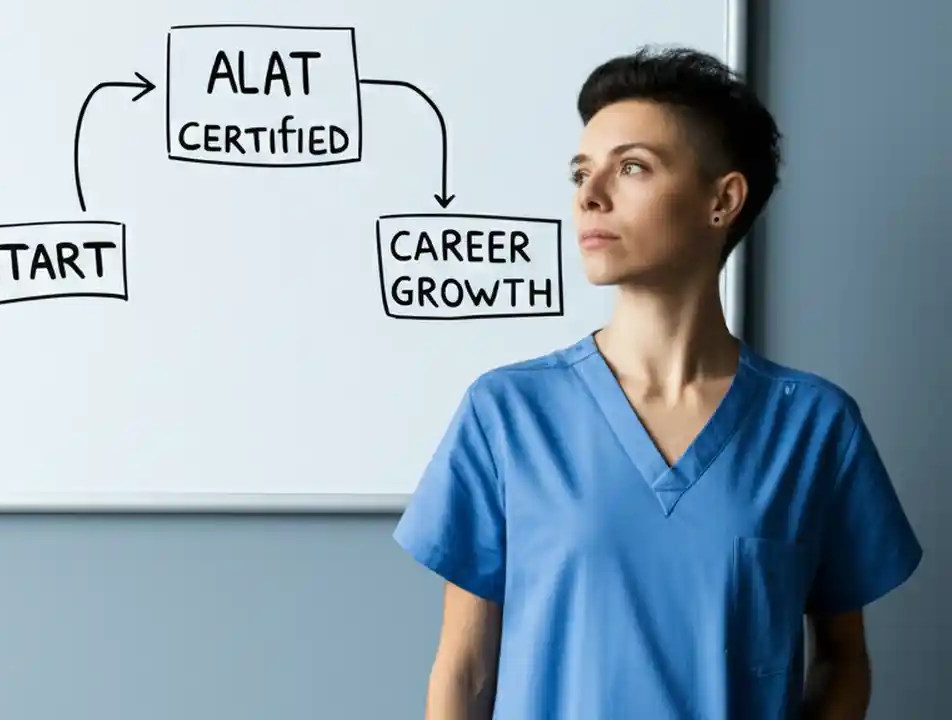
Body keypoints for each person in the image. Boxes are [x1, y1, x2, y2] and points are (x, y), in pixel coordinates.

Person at [392, 46, 923, 719]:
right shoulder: (507, 414)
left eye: (632, 167)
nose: (589, 195)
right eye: (581, 172)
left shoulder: (815, 428)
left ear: (723, 200)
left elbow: (843, 657)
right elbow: (464, 671)